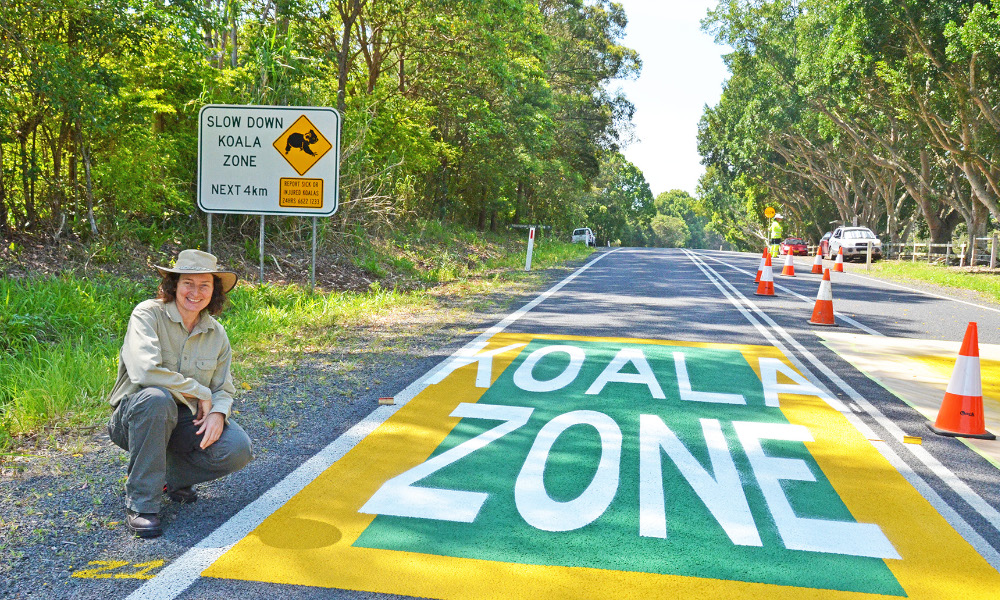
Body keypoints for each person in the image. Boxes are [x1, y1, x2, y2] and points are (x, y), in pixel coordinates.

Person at [107, 249, 253, 538]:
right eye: (188, 283)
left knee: (237, 447)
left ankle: (165, 477)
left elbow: (223, 388)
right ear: (174, 284)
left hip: (183, 422)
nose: (195, 292)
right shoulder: (147, 314)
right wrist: (198, 390)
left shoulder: (216, 333)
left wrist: (218, 413)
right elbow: (145, 373)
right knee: (157, 399)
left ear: (214, 292)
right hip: (136, 418)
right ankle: (142, 504)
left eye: (204, 285)